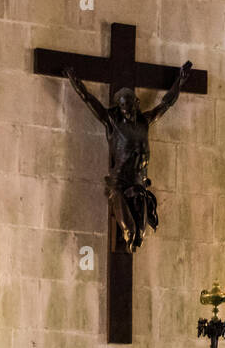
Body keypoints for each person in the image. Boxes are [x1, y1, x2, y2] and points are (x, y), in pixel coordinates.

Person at [62, 61, 193, 250]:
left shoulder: (144, 121)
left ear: (136, 104)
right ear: (119, 107)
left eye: (130, 106)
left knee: (140, 234)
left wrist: (179, 82)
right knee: (131, 232)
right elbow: (88, 99)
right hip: (120, 184)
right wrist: (74, 80)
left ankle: (132, 235)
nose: (127, 111)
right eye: (123, 107)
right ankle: (126, 233)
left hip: (140, 183)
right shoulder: (112, 122)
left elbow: (166, 104)